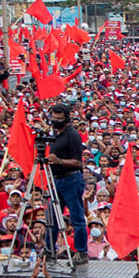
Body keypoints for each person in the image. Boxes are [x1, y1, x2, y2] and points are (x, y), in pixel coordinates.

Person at [45, 101, 89, 257]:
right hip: (57, 180)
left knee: (76, 217)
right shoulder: (55, 134)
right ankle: (49, 249)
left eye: (59, 118)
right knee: (52, 217)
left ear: (66, 119)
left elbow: (77, 162)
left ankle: (81, 251)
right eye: (53, 118)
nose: (55, 121)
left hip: (72, 180)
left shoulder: (73, 136)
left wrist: (59, 162)